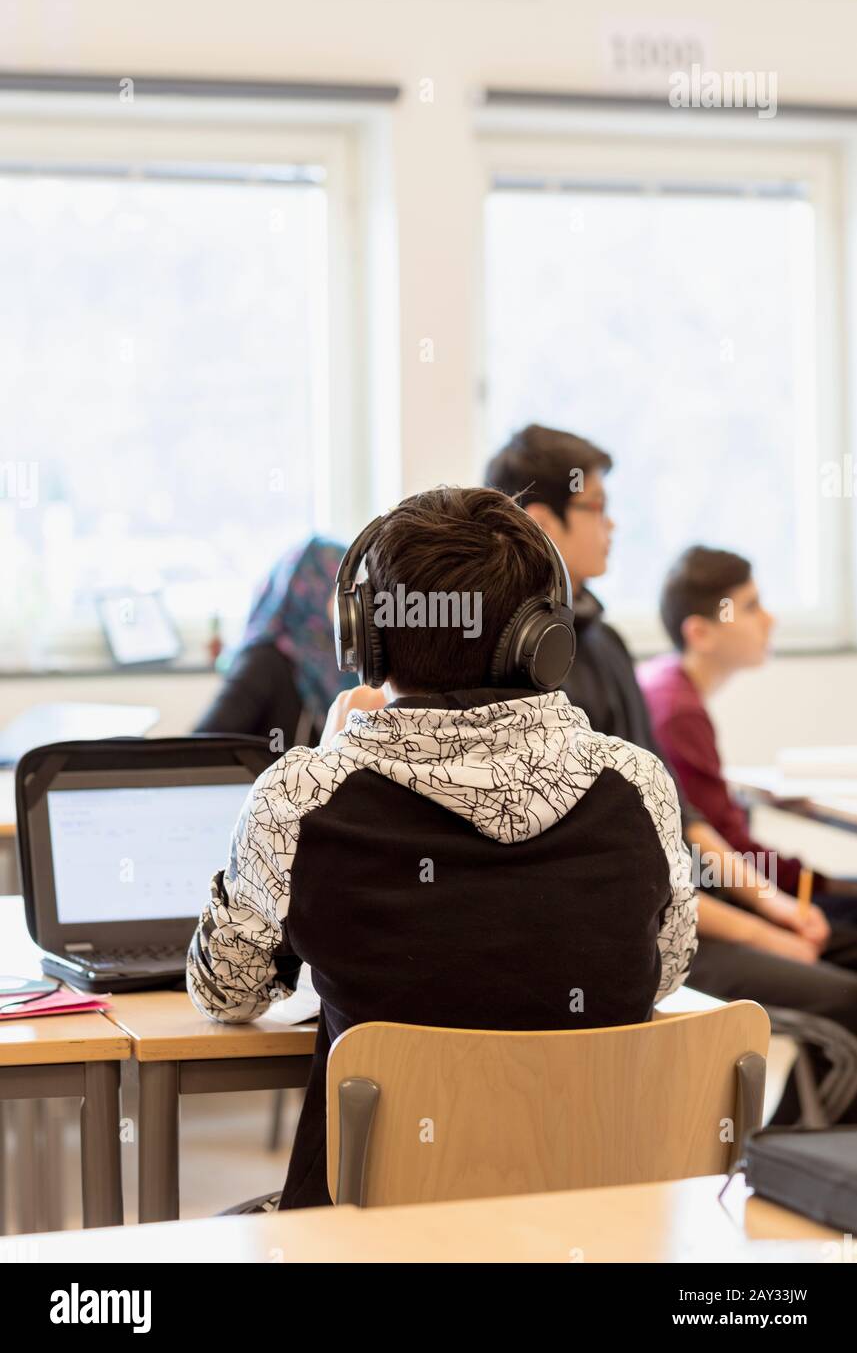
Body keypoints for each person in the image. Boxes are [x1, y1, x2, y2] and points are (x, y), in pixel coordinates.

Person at [188, 486, 696, 1209]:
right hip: (593, 1223)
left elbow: (225, 990)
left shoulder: (303, 794)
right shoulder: (637, 784)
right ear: (544, 639)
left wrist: (333, 761)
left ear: (366, 641)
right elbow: (666, 971)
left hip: (368, 1238)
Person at [485, 424, 857, 1124]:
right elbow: (633, 872)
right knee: (843, 996)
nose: (613, 522)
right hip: (649, 929)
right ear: (542, 521)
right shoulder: (524, 669)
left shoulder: (607, 644)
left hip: (688, 905)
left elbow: (681, 817)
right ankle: (796, 1169)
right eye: (596, 507)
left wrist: (777, 906)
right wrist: (768, 933)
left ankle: (792, 1155)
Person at [638, 545, 857, 926]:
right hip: (720, 904)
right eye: (751, 607)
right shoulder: (679, 713)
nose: (770, 619)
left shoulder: (665, 683)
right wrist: (826, 883)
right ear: (700, 632)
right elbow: (731, 852)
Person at [194, 536, 355, 748]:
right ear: (311, 588)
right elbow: (199, 749)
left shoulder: (341, 663)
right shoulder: (264, 660)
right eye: (340, 591)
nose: (350, 604)